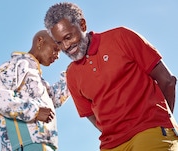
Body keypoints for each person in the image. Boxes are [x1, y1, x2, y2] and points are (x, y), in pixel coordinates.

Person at [44, 2, 177, 151]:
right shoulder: (72, 75)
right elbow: (92, 116)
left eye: (68, 37)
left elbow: (168, 81)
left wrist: (162, 119)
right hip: (112, 144)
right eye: (59, 43)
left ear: (82, 25)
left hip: (150, 129)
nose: (66, 46)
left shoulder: (121, 37)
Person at [0, 30, 70, 151]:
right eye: (56, 48)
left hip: (44, 145)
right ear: (40, 41)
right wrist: (34, 112)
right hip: (27, 144)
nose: (58, 55)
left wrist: (70, 76)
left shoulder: (38, 78)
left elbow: (55, 99)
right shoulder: (19, 64)